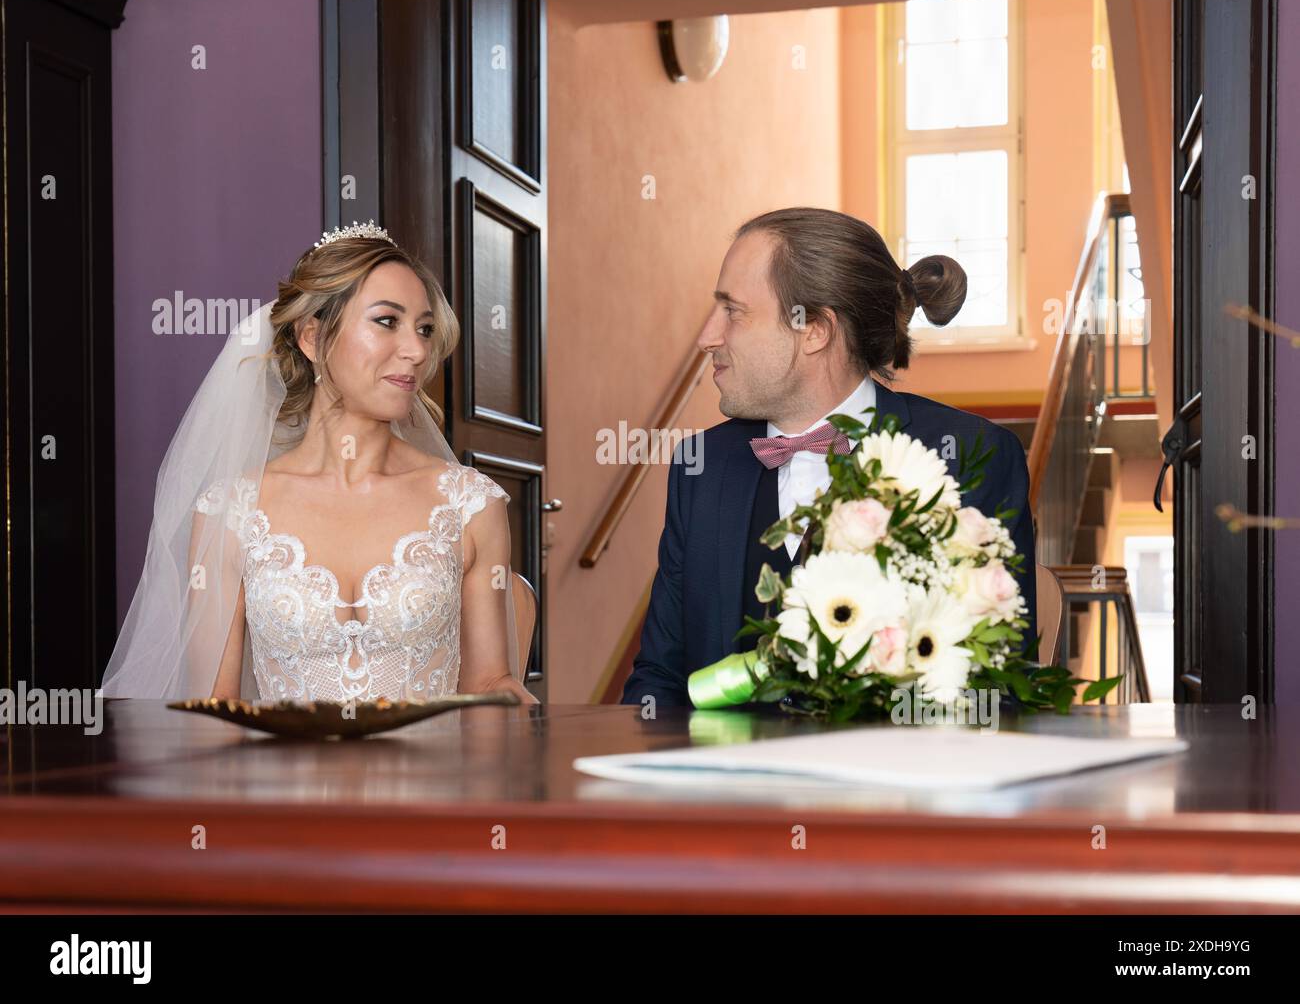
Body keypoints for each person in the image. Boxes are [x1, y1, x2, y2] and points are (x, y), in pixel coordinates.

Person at [100, 222, 537, 705]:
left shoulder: (469, 504)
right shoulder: (231, 511)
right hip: (282, 780)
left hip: (432, 779)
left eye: (425, 329)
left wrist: (520, 707)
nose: (416, 350)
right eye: (387, 321)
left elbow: (488, 690)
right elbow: (214, 709)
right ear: (312, 337)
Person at [622, 207, 1037, 708]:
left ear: (814, 329)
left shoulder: (971, 458)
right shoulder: (700, 466)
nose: (707, 336)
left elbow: (996, 692)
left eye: (732, 311)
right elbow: (658, 679)